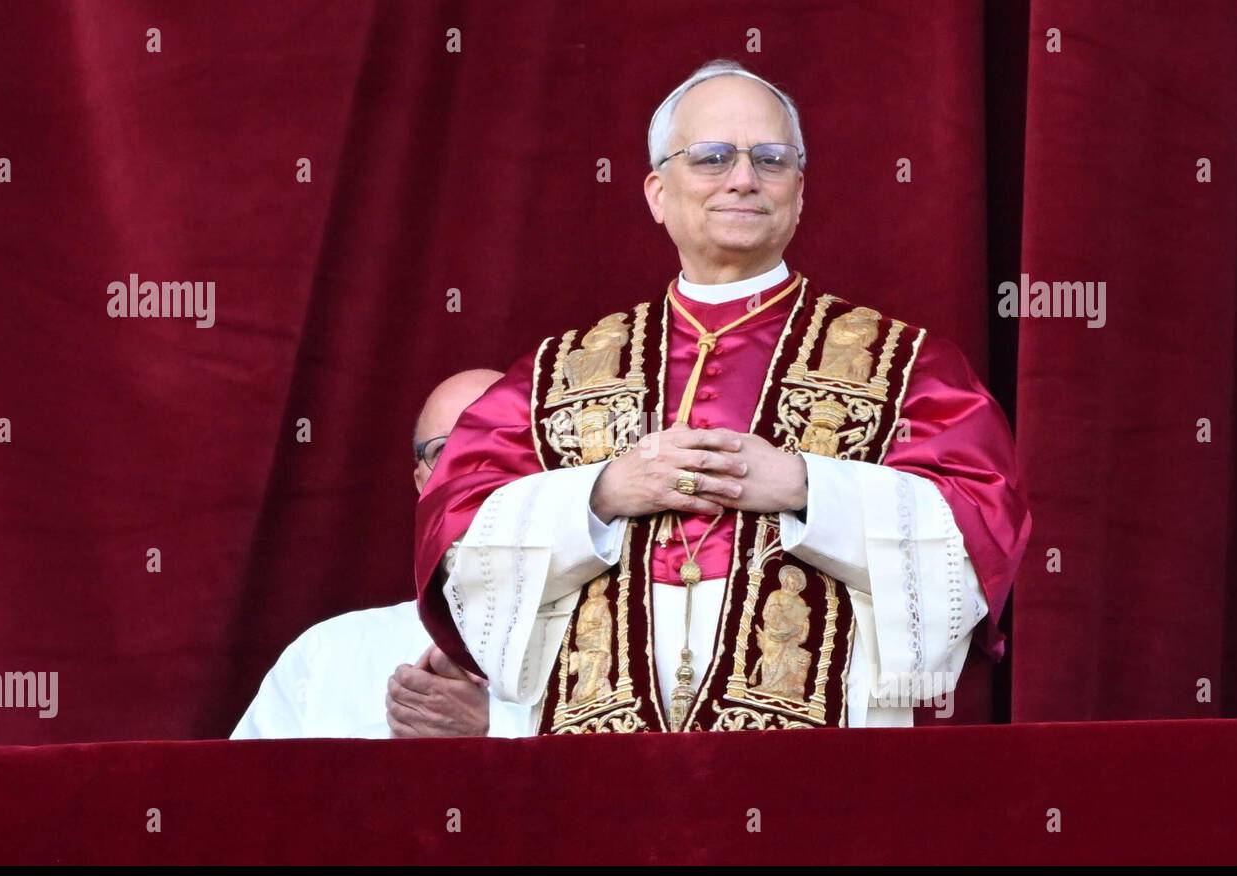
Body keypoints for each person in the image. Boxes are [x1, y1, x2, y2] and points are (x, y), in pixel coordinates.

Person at [414, 59, 1032, 733]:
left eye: (771, 159)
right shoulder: (556, 372)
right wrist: (601, 494)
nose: (744, 178)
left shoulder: (908, 365)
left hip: (820, 761)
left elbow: (980, 528)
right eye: (711, 157)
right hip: (589, 760)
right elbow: (456, 533)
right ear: (656, 191)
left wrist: (806, 485)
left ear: (800, 189)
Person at [232, 370, 534, 740]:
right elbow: (245, 793)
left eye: (498, 444)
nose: (471, 475)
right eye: (445, 451)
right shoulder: (326, 653)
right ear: (422, 484)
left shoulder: (611, 650)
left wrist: (490, 733)